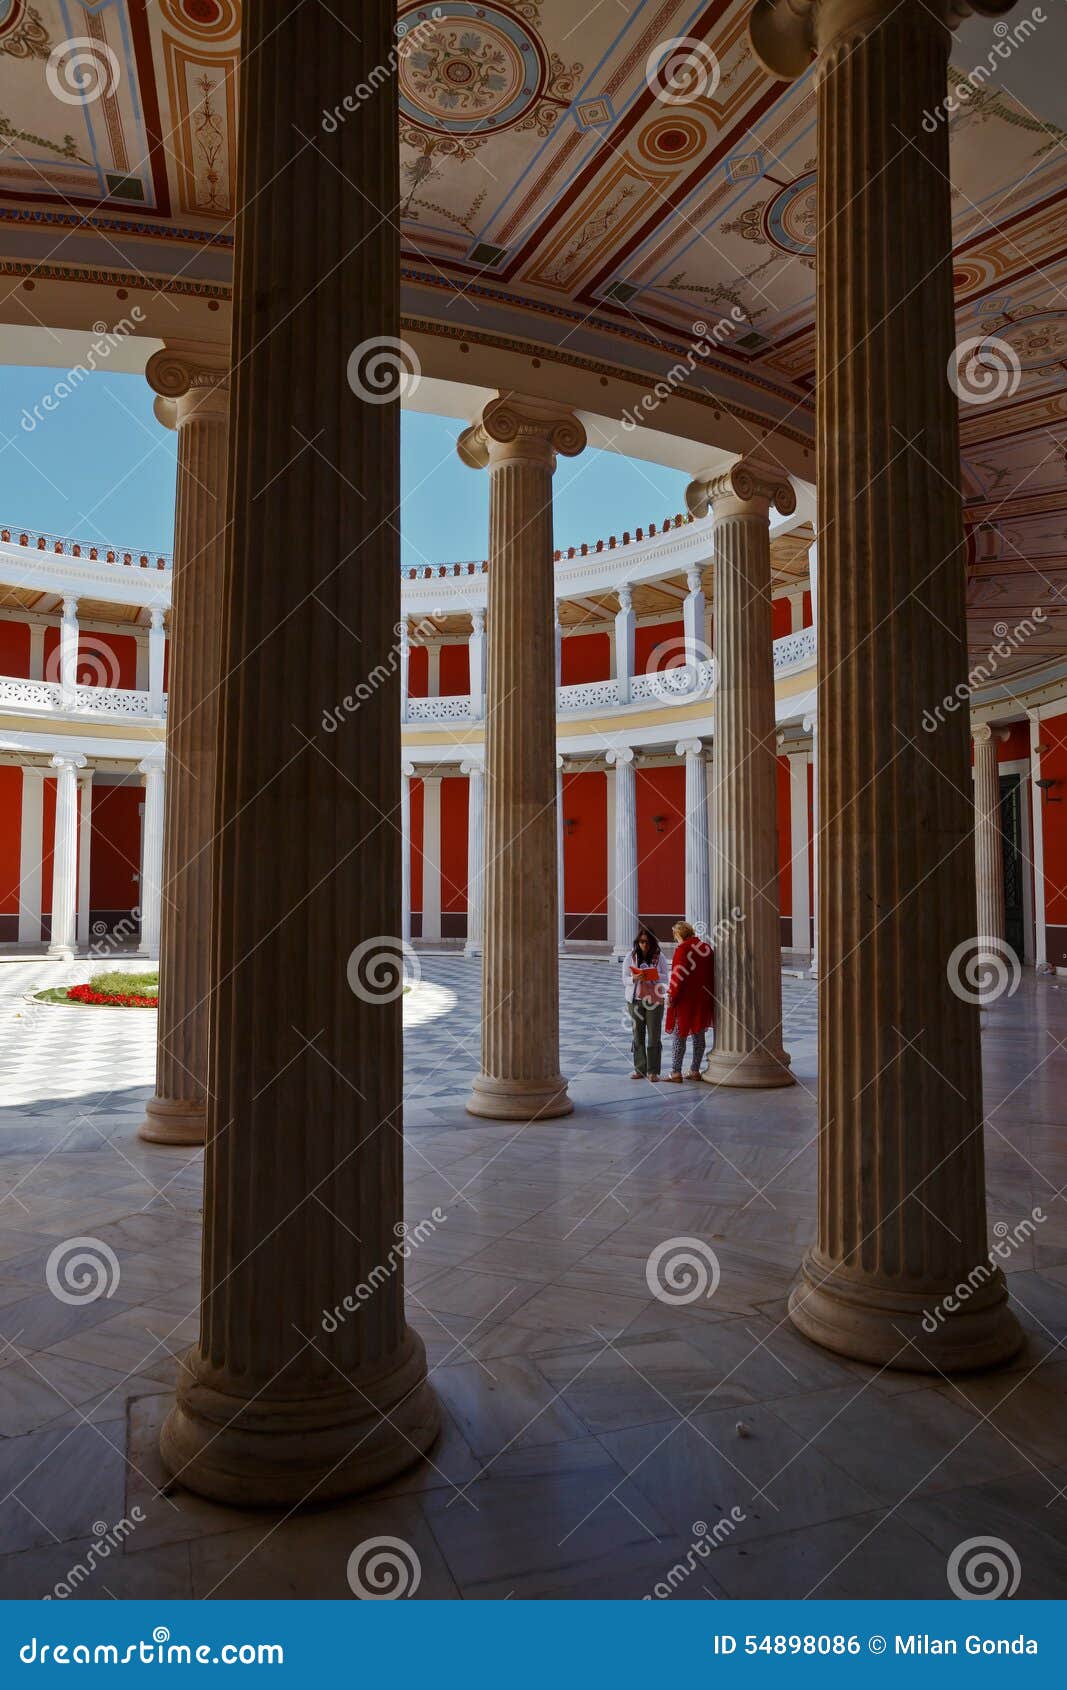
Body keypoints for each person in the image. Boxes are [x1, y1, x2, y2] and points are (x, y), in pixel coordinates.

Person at [664, 921, 715, 1082]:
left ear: (679, 934)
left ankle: (676, 1072)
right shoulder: (706, 948)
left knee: (680, 1036)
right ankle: (695, 1070)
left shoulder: (683, 949)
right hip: (703, 999)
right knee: (699, 1036)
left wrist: (672, 997)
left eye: (675, 935)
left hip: (685, 1001)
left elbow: (677, 977)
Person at [623, 925, 668, 1081]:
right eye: (642, 942)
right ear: (638, 942)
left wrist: (653, 976)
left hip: (654, 1001)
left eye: (647, 942)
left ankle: (653, 1071)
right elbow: (624, 979)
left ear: (653, 943)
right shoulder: (631, 956)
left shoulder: (659, 956)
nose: (644, 945)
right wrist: (634, 978)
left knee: (654, 1035)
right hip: (636, 1000)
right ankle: (639, 1069)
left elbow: (665, 977)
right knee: (638, 1035)